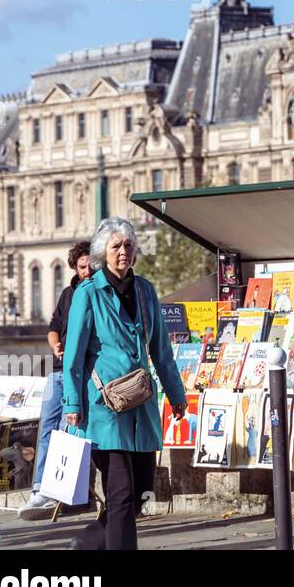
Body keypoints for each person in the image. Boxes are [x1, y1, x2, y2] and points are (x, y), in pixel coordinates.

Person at [63, 217, 187, 550]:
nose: (123, 251)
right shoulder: (88, 294)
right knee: (119, 495)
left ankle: (86, 545)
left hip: (142, 406)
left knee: (139, 496)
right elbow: (72, 357)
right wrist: (73, 403)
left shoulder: (146, 291)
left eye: (128, 245)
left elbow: (161, 350)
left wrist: (177, 395)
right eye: (116, 245)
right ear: (104, 251)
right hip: (106, 409)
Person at [20, 241, 93, 519]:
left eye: (90, 266)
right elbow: (53, 328)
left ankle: (56, 489)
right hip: (57, 369)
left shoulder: (96, 293)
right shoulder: (68, 294)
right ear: (75, 267)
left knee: (66, 428)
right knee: (47, 428)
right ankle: (39, 488)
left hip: (78, 372)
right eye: (82, 266)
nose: (86, 271)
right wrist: (55, 345)